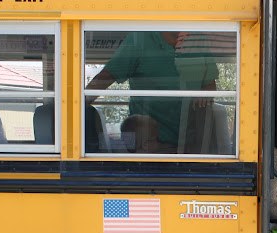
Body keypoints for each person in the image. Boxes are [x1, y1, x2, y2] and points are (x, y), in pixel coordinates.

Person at [85, 31, 217, 152]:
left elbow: (210, 84)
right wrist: (80, 105)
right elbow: (106, 77)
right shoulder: (141, 38)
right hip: (148, 146)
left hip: (191, 146)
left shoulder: (199, 38)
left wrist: (206, 93)